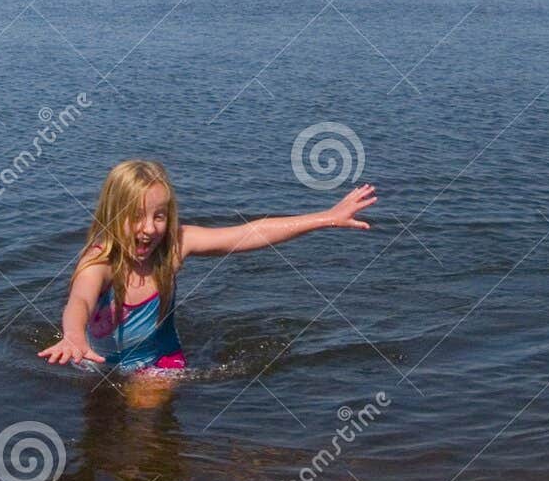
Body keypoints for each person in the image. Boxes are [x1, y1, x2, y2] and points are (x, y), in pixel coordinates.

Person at [38, 158, 378, 379]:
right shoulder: (99, 262)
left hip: (161, 365)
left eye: (159, 216)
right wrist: (73, 336)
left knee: (147, 413)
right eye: (135, 216)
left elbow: (250, 232)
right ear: (112, 214)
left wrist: (326, 218)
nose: (149, 228)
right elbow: (79, 301)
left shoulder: (174, 246)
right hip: (96, 364)